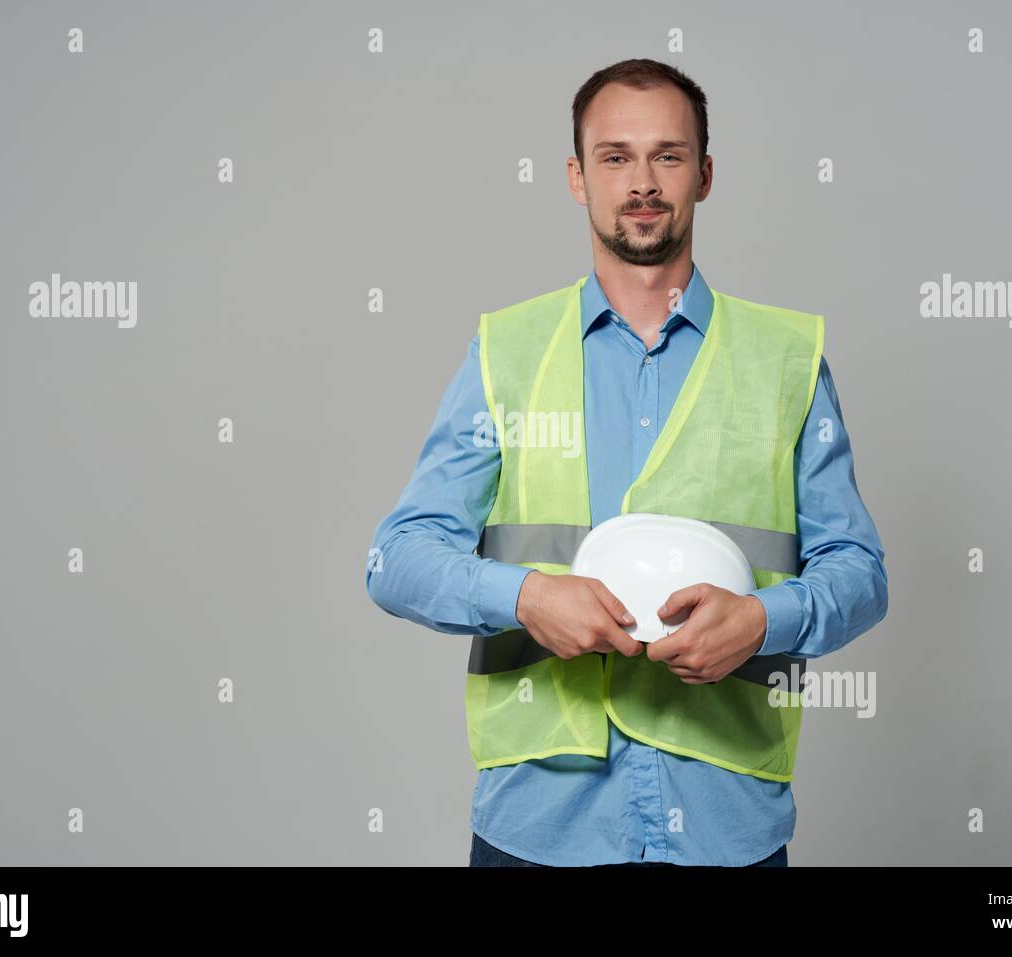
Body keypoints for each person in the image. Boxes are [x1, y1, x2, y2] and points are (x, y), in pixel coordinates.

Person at [366, 58, 888, 867]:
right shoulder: (508, 351)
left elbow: (859, 570)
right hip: (539, 824)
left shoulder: (787, 359)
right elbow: (395, 559)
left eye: (668, 155)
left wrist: (762, 621)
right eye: (614, 157)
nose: (641, 181)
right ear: (577, 177)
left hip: (727, 819)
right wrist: (528, 596)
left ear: (704, 174)